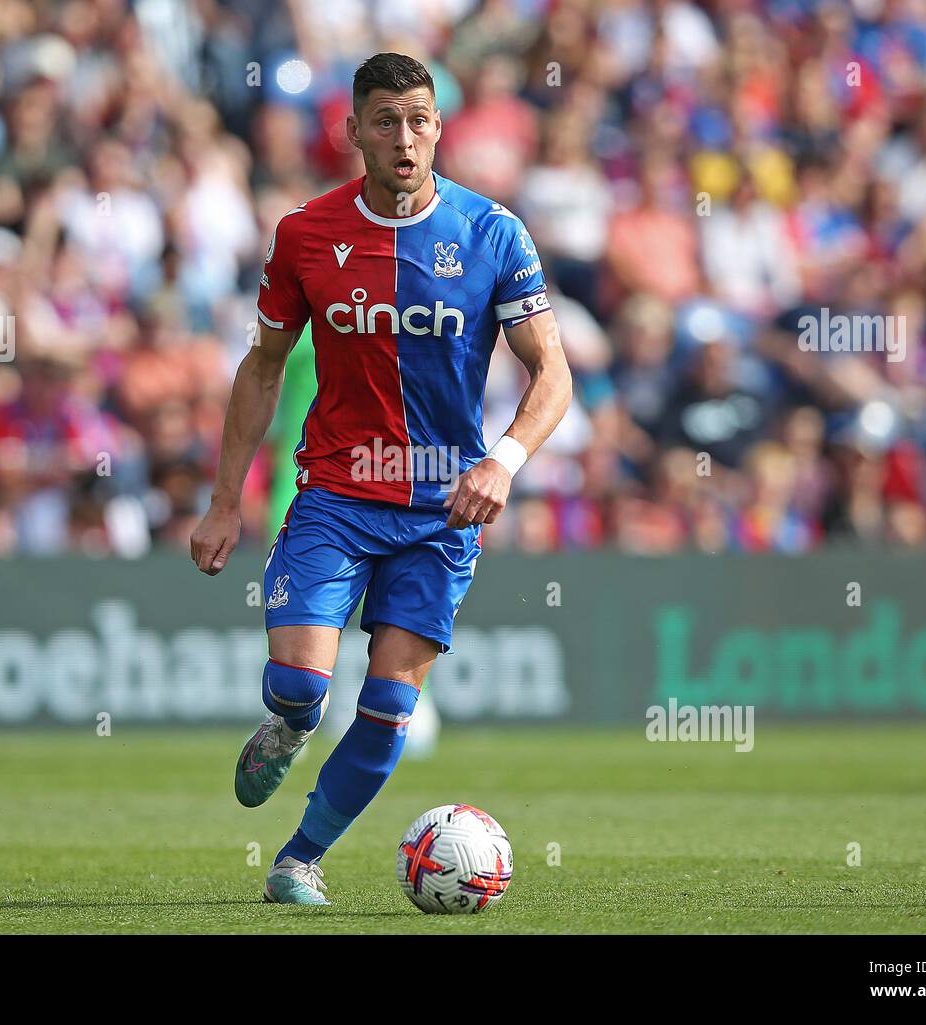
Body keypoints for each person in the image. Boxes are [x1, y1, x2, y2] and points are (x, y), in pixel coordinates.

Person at [188, 52, 572, 905]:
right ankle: (287, 727)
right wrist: (221, 503)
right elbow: (262, 367)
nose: (407, 138)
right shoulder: (304, 235)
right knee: (301, 688)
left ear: (440, 127)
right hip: (336, 494)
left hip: (442, 510)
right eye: (388, 121)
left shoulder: (493, 234)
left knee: (392, 704)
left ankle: (298, 859)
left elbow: (554, 371)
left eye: (421, 120)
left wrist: (502, 460)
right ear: (355, 130)